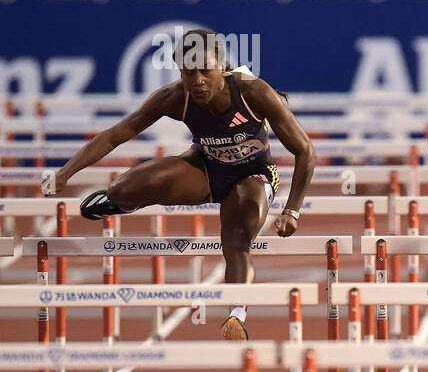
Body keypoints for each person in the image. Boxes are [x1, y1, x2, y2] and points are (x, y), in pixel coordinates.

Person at [50, 29, 315, 341]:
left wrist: (292, 211)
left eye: (206, 70)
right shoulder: (176, 98)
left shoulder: (254, 92)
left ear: (223, 68)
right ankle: (119, 200)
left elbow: (305, 151)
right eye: (189, 73)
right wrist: (65, 173)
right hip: (206, 169)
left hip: (253, 176)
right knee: (123, 187)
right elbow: (115, 134)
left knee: (237, 234)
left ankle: (236, 316)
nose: (198, 81)